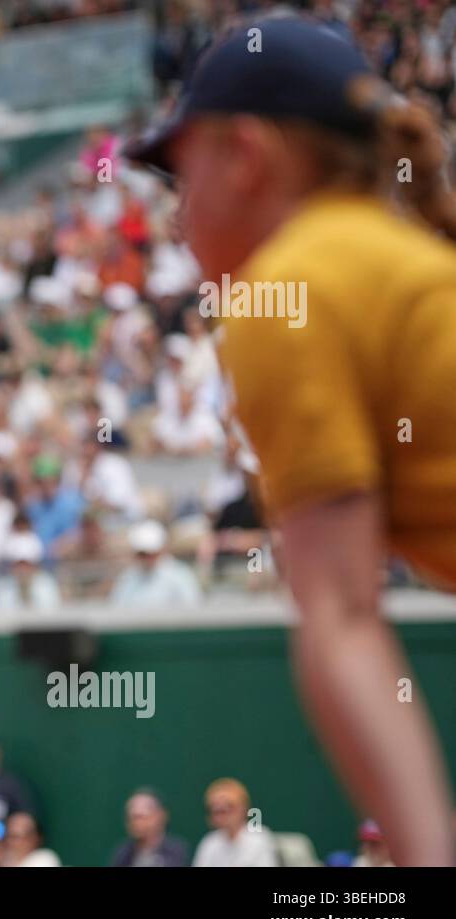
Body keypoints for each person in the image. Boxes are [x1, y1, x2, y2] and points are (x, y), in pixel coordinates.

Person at [126, 12, 456, 865]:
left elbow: (342, 620)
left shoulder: (286, 289)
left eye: (180, 172)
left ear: (245, 156)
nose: (176, 211)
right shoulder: (391, 256)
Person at [191, 778, 277, 867]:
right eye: (217, 810)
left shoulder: (260, 838)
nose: (222, 815)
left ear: (243, 808)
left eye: (229, 807)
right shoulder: (209, 843)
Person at [109, 787, 190, 867]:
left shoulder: (177, 852)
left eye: (141, 817)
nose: (136, 823)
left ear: (160, 816)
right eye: (131, 818)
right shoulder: (123, 854)